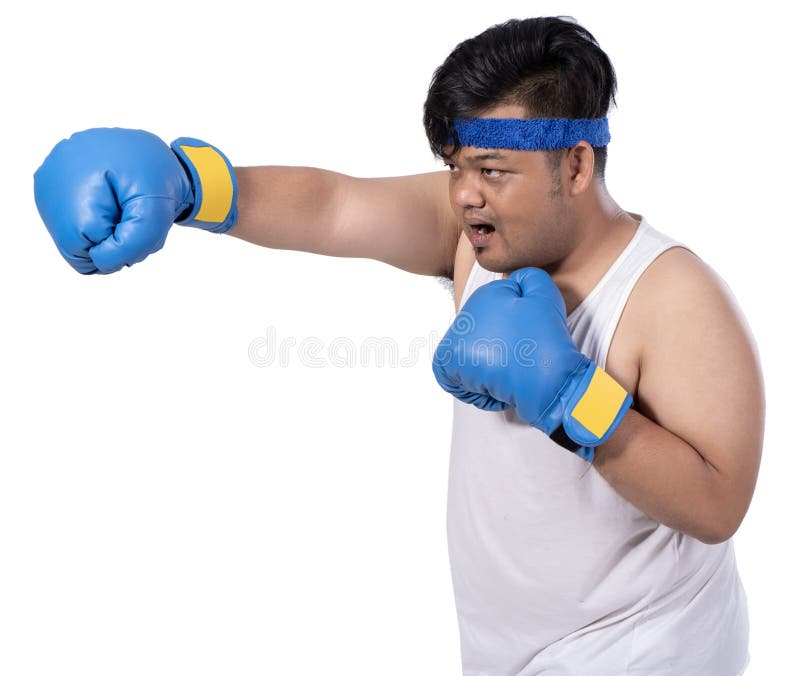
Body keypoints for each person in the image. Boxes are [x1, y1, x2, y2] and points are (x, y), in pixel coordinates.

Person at [32, 16, 763, 676]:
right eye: (456, 167)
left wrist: (574, 397)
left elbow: (718, 503)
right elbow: (334, 206)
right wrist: (189, 184)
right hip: (511, 649)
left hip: (645, 648)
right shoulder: (476, 235)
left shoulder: (671, 294)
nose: (466, 193)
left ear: (574, 165)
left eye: (492, 172)